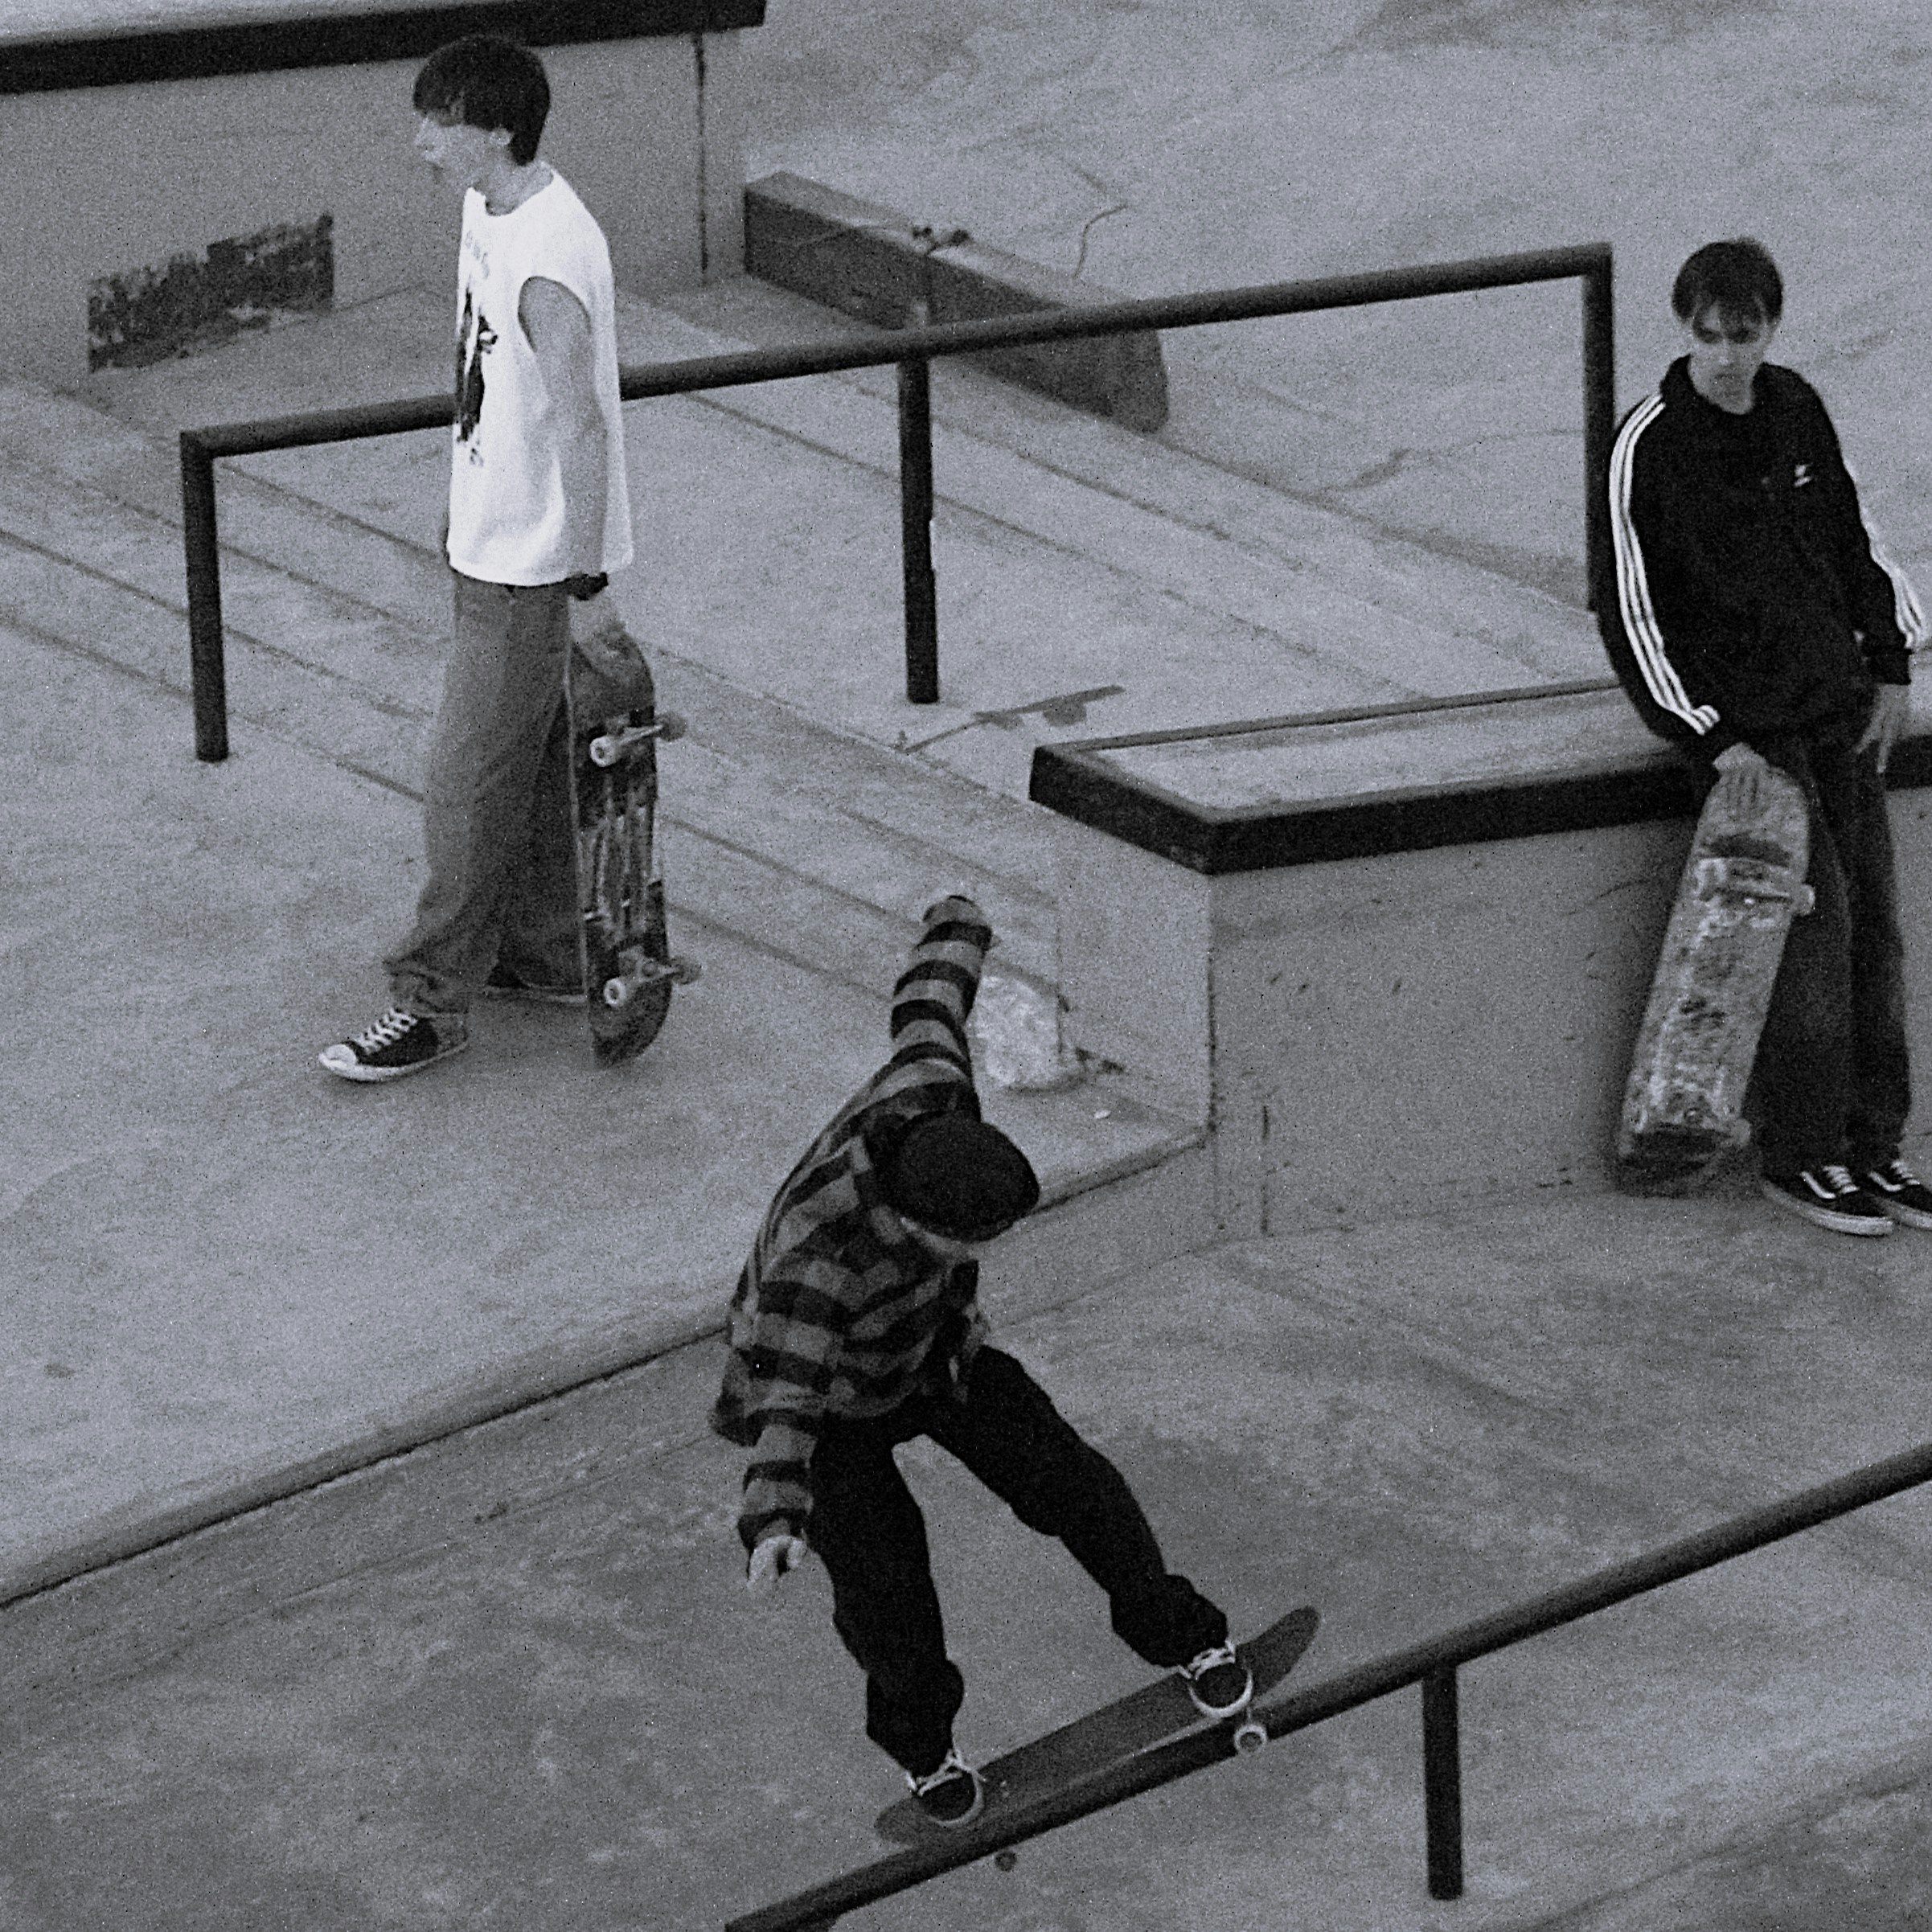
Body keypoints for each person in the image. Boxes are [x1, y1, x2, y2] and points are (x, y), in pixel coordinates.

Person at [712, 892, 1253, 1827]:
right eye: (971, 1244)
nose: (984, 1257)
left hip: (933, 1359)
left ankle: (1183, 1635)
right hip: (835, 1404)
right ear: (919, 1223)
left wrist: (959, 922)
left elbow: (929, 1003)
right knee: (890, 1595)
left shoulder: (933, 1092)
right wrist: (771, 1523)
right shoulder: (820, 1259)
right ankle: (925, 1753)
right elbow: (788, 1402)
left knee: (1073, 1483)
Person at [1598, 236, 1930, 1235]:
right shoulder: (1650, 443)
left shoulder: (1796, 407)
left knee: (1874, 932)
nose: (1729, 358)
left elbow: (1852, 537)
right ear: (1685, 329)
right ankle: (1805, 1155)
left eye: (1746, 337)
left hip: (1835, 715)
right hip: (1752, 742)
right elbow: (1630, 609)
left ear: (1772, 328)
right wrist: (1710, 742)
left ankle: (1878, 1147)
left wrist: (1888, 662)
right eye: (1711, 339)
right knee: (1809, 944)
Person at [322, 34, 633, 1081]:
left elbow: (583, 425)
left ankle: (428, 1001)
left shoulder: (549, 254)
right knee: (533, 768)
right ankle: (544, 951)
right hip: (489, 542)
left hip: (532, 569)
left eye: (437, 124)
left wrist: (584, 582)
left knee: (463, 787)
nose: (419, 142)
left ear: (494, 132)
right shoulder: (488, 205)